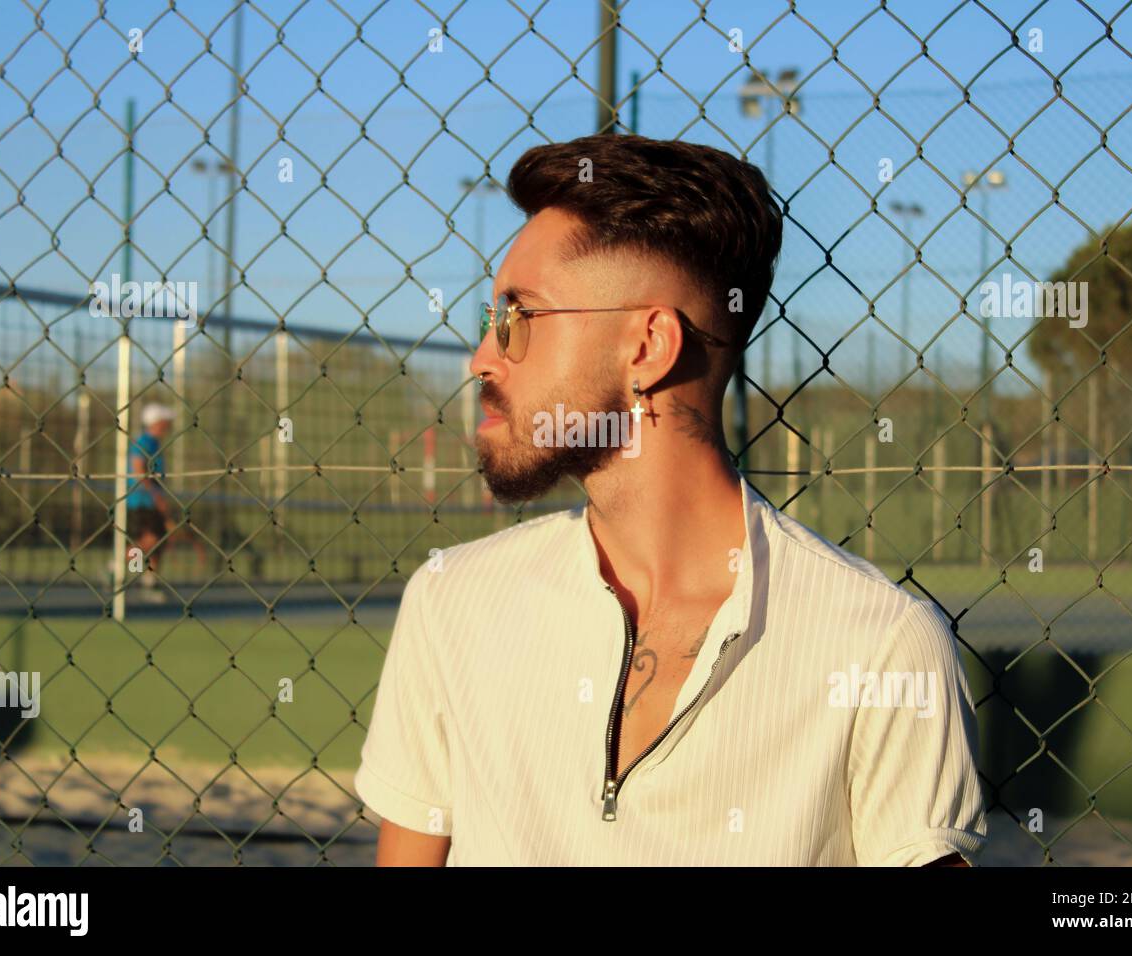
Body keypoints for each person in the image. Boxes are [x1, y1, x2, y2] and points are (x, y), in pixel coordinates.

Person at [357, 133, 988, 866]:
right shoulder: (451, 603)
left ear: (648, 346)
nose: (483, 357)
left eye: (517, 317)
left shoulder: (880, 647)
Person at [127, 403, 174, 599]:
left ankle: (149, 582)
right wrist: (156, 495)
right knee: (149, 540)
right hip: (141, 501)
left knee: (159, 542)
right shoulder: (144, 441)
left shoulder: (155, 443)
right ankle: (119, 568)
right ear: (157, 422)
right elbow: (138, 469)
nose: (169, 425)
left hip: (152, 500)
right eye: (166, 421)